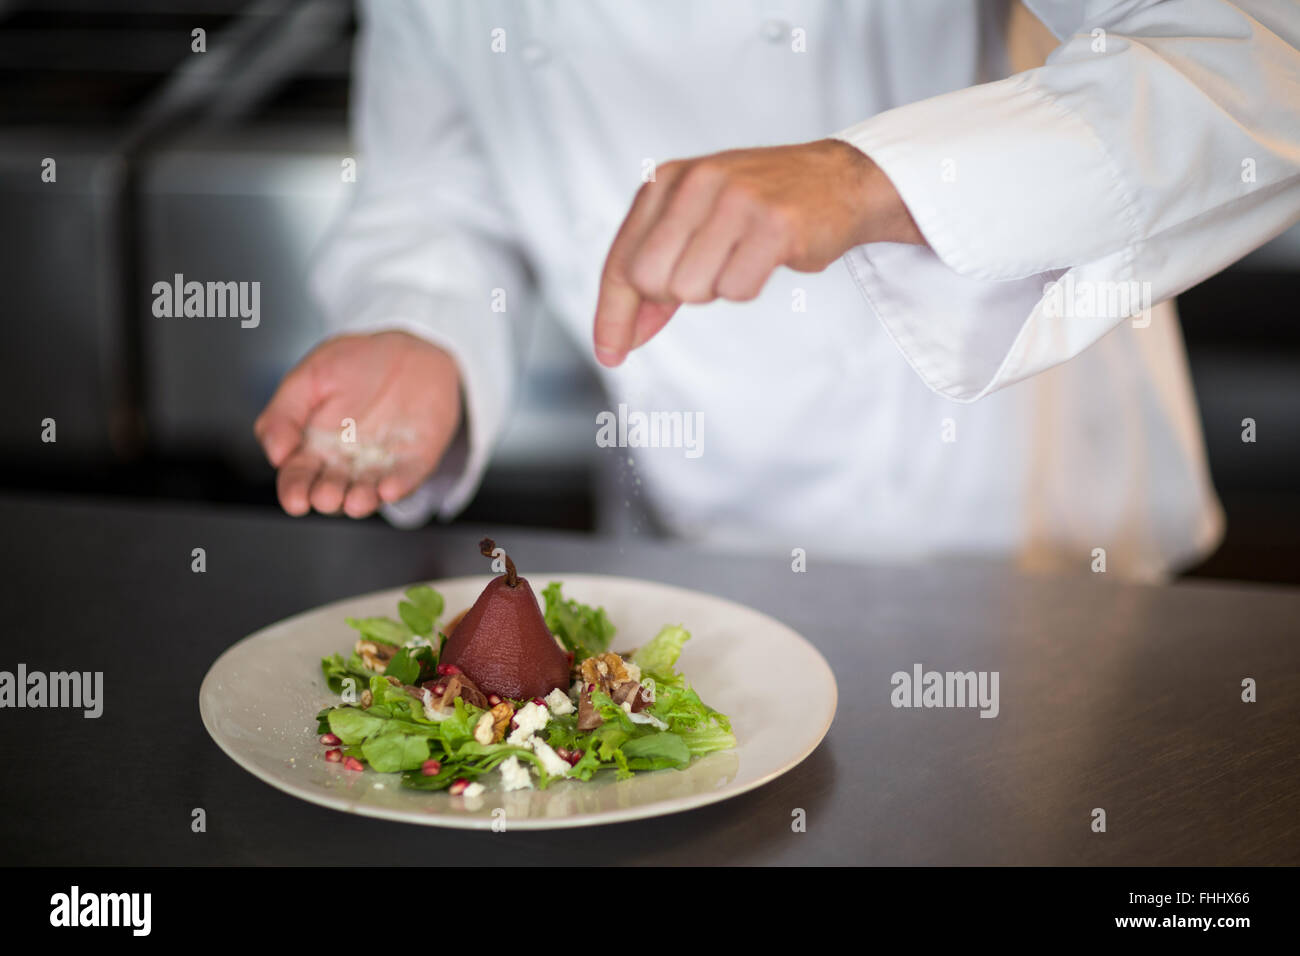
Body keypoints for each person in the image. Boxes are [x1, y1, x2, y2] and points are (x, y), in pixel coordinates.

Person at [254, 0, 1300, 581]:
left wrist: (868, 179)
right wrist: (417, 319)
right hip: (677, 538)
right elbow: (438, 182)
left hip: (994, 537)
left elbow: (1254, 66)